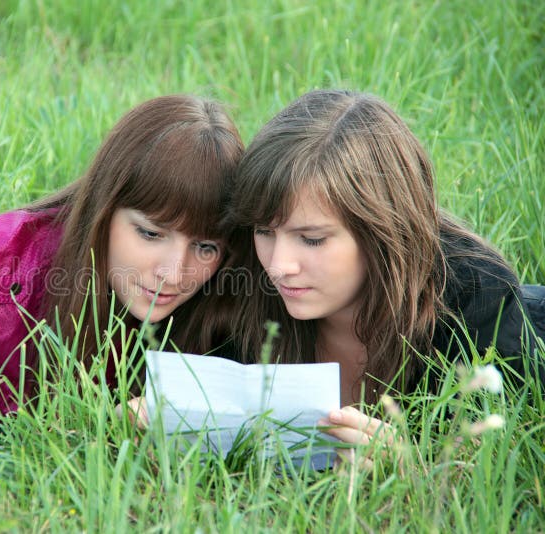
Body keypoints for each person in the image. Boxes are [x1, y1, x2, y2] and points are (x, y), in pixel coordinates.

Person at [0, 94, 245, 422]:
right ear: (104, 208)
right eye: (150, 234)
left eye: (205, 247)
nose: (173, 273)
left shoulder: (235, 288)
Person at [227, 89, 544, 453]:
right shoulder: (243, 279)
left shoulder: (476, 300)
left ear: (380, 233)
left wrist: (409, 464)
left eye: (312, 239)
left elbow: (492, 463)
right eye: (264, 232)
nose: (279, 266)